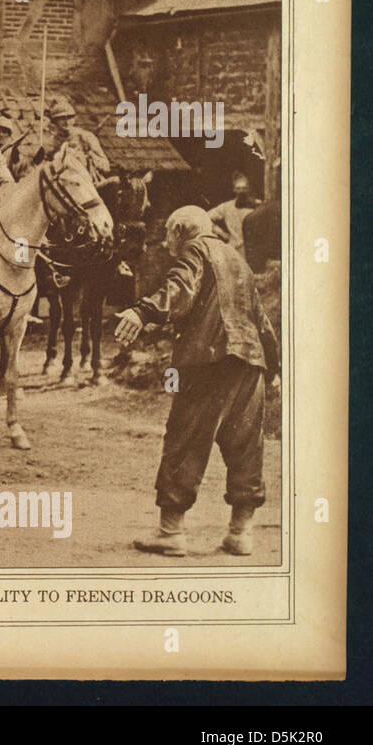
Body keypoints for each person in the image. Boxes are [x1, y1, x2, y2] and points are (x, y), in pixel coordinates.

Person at [115, 206, 280, 558]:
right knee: (246, 448)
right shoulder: (238, 261)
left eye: (168, 238)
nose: (166, 244)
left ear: (178, 232)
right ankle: (240, 533)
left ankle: (170, 532)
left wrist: (142, 311)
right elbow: (260, 317)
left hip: (209, 360)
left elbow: (180, 288)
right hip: (250, 362)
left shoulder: (195, 250)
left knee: (185, 440)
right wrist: (274, 364)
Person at [207, 171, 260, 261]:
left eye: (244, 188)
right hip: (233, 250)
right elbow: (206, 217)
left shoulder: (257, 206)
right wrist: (223, 234)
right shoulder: (226, 207)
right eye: (238, 188)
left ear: (248, 189)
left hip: (252, 252)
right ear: (234, 190)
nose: (241, 191)